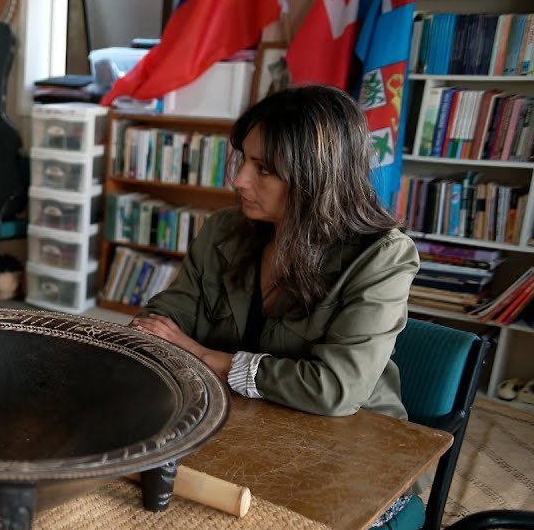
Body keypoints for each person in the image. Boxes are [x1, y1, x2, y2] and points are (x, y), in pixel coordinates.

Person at [130, 85, 418, 423]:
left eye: (263, 168)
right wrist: (151, 333)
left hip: (350, 436)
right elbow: (167, 314)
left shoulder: (382, 257)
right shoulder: (224, 228)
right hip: (240, 415)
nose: (239, 180)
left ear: (317, 177)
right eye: (243, 160)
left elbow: (336, 389)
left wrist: (207, 356)